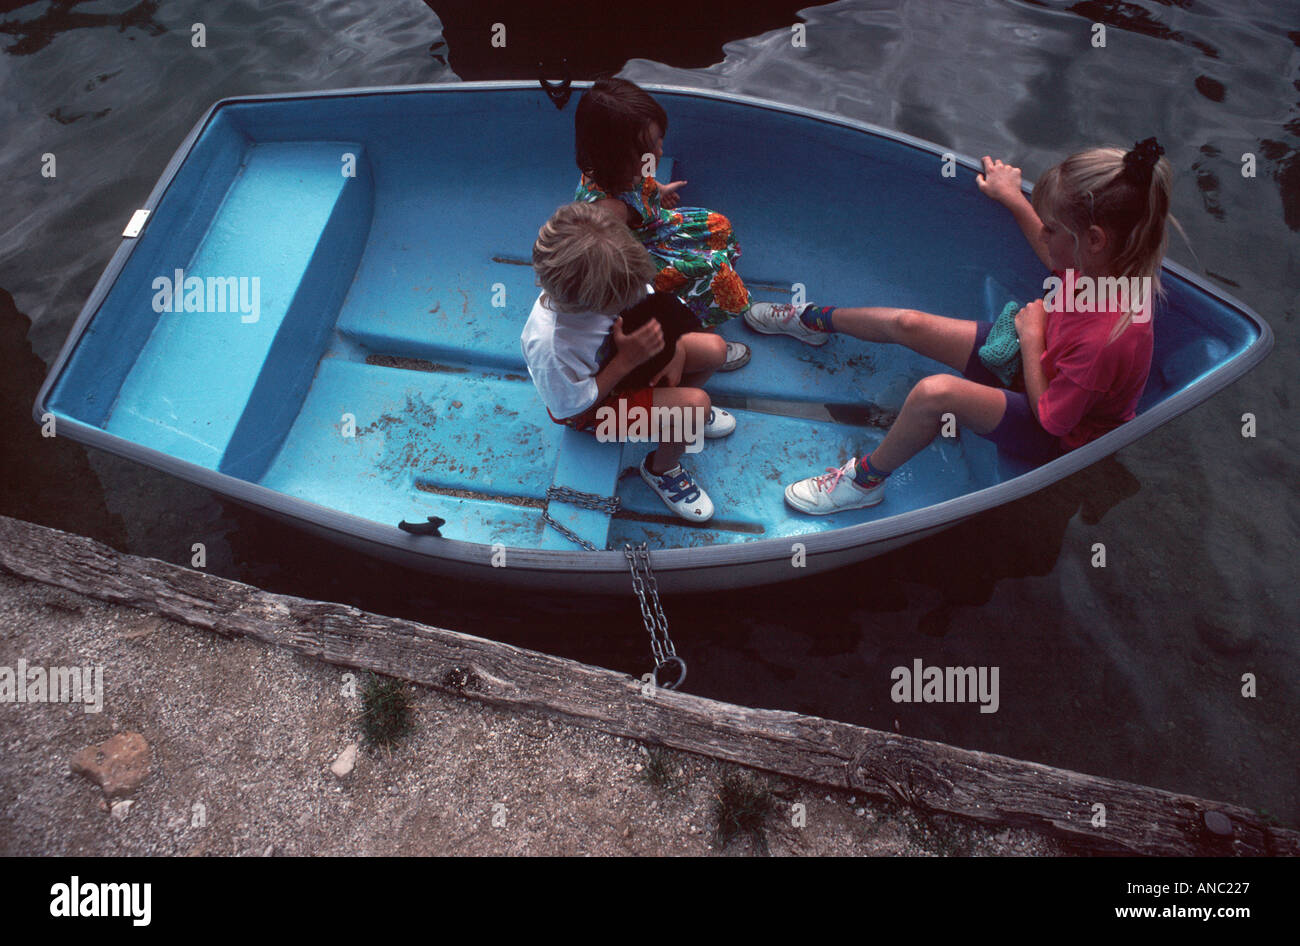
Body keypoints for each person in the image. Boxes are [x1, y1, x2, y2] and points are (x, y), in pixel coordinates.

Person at [743, 139, 1171, 514]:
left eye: (1053, 228)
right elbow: (1051, 256)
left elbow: (1052, 420)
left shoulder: (1109, 339)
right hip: (1035, 361)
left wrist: (1032, 335)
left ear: (1093, 241)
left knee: (935, 395)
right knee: (907, 323)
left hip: (1056, 430)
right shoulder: (1101, 268)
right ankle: (813, 322)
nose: (1044, 235)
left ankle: (864, 484)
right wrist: (1011, 197)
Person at [521, 202, 737, 522]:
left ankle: (675, 417)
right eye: (622, 300)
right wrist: (625, 361)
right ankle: (661, 468)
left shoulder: (615, 276)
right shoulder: (551, 345)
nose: (634, 298)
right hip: (592, 408)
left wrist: (674, 350)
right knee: (695, 404)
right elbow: (571, 409)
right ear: (592, 303)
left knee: (715, 350)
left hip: (626, 364)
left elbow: (654, 313)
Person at [574, 77, 753, 370]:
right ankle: (693, 335)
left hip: (654, 228)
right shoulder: (609, 210)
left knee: (718, 225)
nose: (658, 152)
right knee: (713, 269)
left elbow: (639, 181)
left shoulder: (618, 167)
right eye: (649, 149)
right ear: (616, 157)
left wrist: (658, 190)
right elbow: (616, 270)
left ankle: (706, 302)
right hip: (637, 261)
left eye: (658, 142)